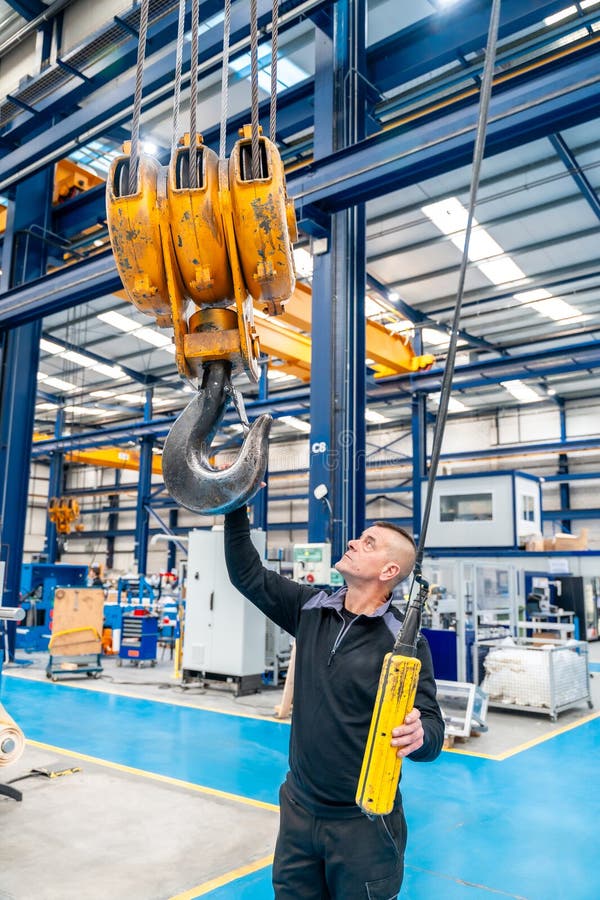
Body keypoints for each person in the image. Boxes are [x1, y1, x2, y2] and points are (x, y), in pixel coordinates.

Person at [224, 503, 445, 900]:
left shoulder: (405, 642)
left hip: (364, 824)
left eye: (368, 543)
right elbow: (248, 574)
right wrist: (235, 504)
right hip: (299, 811)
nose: (353, 542)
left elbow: (432, 729)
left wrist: (419, 735)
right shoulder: (311, 608)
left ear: (389, 571)